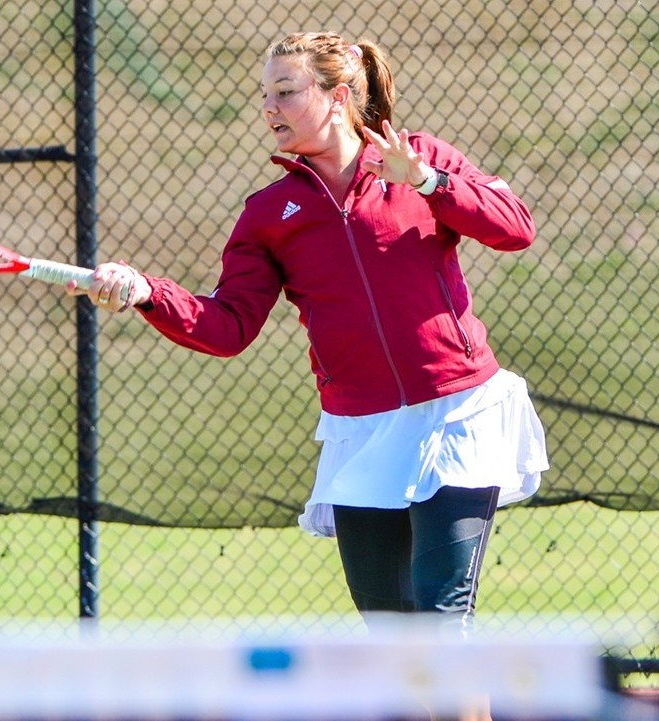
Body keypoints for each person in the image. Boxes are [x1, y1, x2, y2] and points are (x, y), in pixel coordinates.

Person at [69, 31, 548, 632]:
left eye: (285, 91)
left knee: (442, 623)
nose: (268, 107)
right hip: (362, 431)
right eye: (264, 94)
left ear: (338, 96)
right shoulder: (268, 214)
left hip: (460, 413)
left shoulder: (419, 157)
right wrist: (146, 292)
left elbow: (516, 228)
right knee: (393, 636)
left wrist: (429, 182)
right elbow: (228, 327)